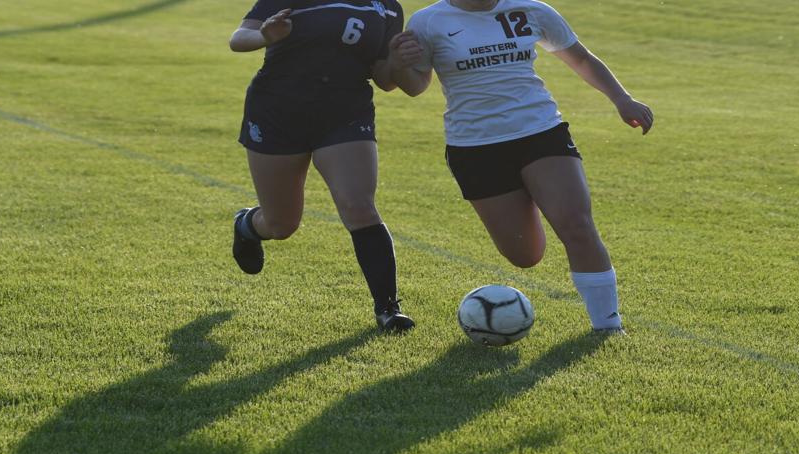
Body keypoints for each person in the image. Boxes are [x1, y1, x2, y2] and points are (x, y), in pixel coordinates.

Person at [391, 0, 653, 332]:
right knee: (524, 255)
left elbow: (581, 58)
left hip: (541, 132)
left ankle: (608, 326)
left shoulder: (531, 9)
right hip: (475, 147)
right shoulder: (428, 21)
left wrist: (622, 99)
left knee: (577, 224)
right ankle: (531, 200)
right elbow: (415, 86)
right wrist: (400, 63)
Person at [229, 1, 420, 332]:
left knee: (359, 206)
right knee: (281, 224)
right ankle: (247, 226)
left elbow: (384, 78)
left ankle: (388, 308)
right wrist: (264, 36)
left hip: (346, 113)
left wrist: (397, 63)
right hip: (277, 111)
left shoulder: (388, 7)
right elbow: (239, 38)